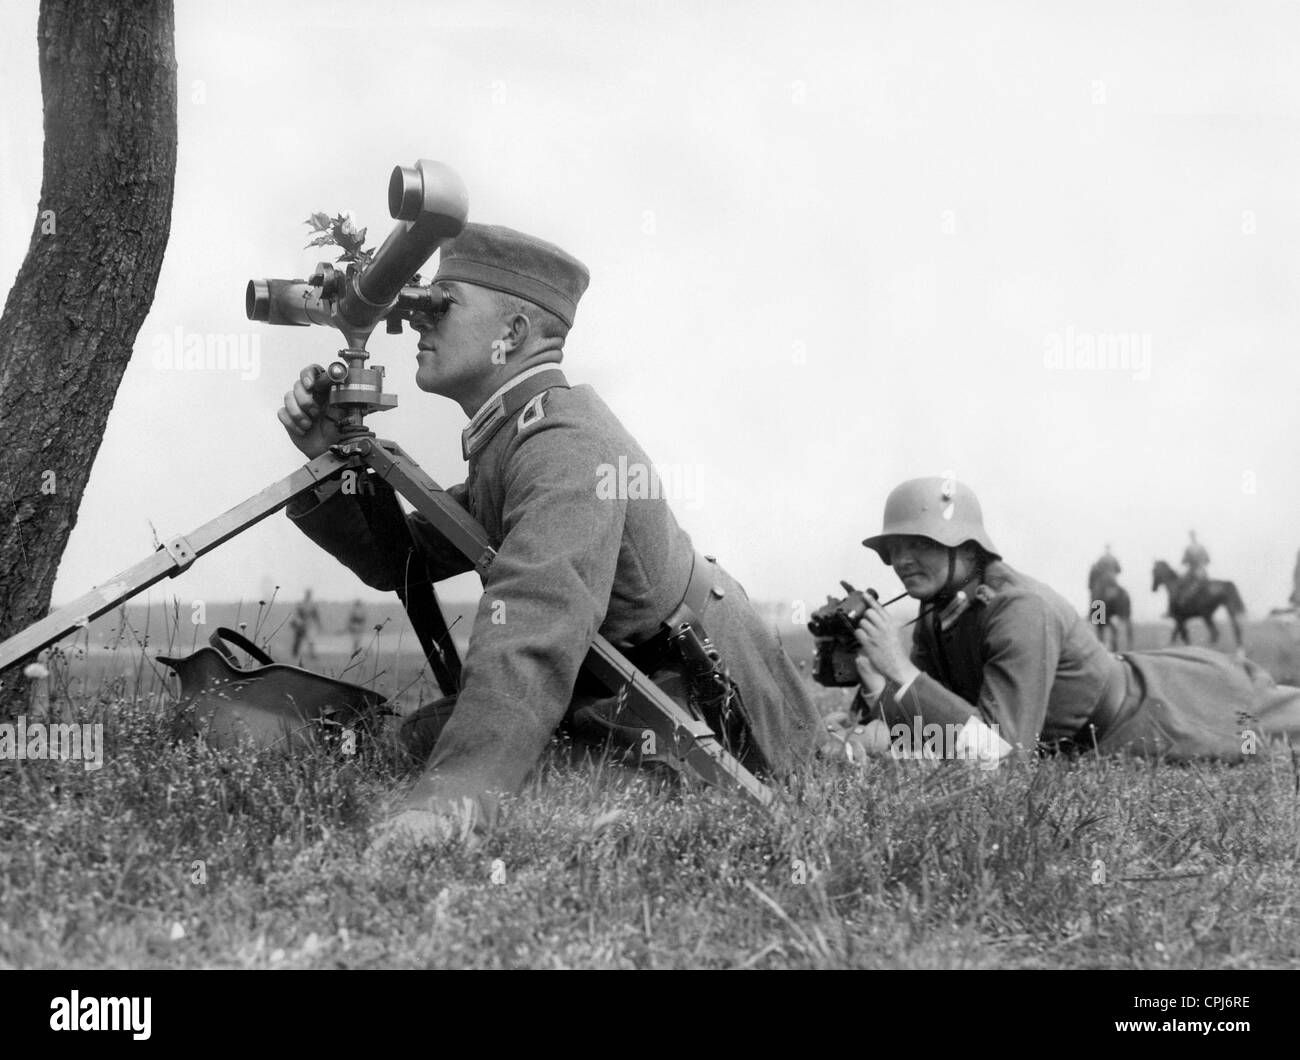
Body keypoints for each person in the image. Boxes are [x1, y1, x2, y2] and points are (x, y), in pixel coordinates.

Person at [278, 223, 819, 841]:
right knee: (399, 744)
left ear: (511, 337)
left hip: (697, 707)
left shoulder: (564, 447)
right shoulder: (516, 435)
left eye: (440, 305)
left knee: (513, 794)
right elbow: (400, 561)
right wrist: (331, 460)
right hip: (626, 683)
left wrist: (449, 803)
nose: (420, 321)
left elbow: (536, 622)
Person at [832, 476, 1300, 765]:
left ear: (968, 548)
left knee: (1281, 716)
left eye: (922, 544)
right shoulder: (938, 608)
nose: (902, 560)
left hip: (1168, 709)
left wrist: (901, 672)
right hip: (1109, 713)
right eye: (895, 549)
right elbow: (942, 723)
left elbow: (1002, 756)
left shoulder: (1019, 609)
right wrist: (875, 689)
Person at [289, 589, 321, 660]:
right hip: (301, 625)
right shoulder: (301, 603)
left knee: (310, 640)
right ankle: (295, 653)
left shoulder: (313, 605)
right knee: (298, 640)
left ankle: (312, 654)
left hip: (309, 625)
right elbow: (296, 614)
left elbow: (316, 615)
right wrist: (298, 622)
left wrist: (318, 624)